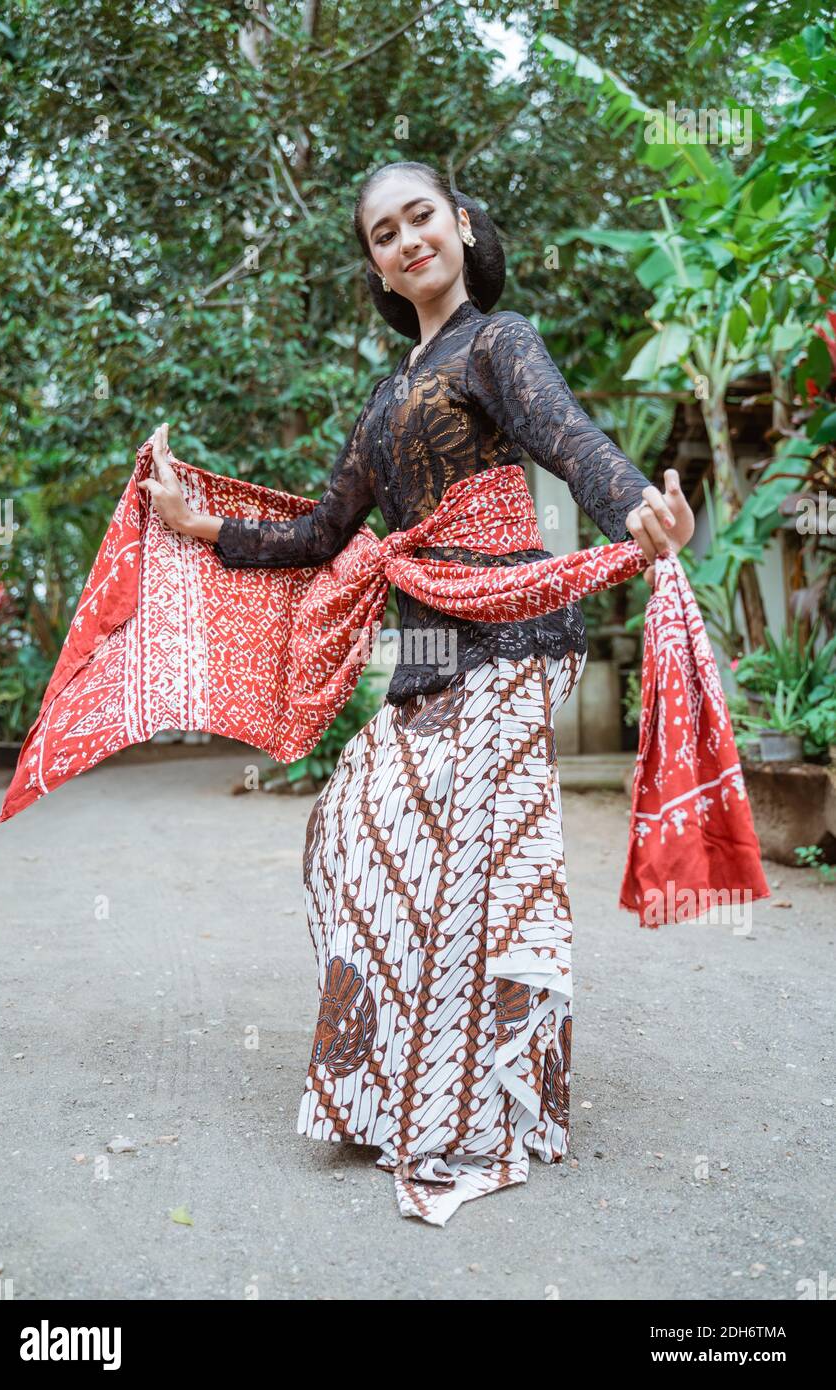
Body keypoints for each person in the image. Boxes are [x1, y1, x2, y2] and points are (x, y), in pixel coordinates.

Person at [138, 160, 695, 1226]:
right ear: (379, 270)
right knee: (350, 836)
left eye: (420, 218)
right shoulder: (386, 395)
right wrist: (198, 522)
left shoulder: (498, 341)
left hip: (512, 631)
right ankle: (407, 1079)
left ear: (460, 225)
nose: (405, 241)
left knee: (468, 883)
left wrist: (632, 509)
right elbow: (316, 533)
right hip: (427, 654)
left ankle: (462, 1114)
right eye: (382, 234)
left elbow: (567, 438)